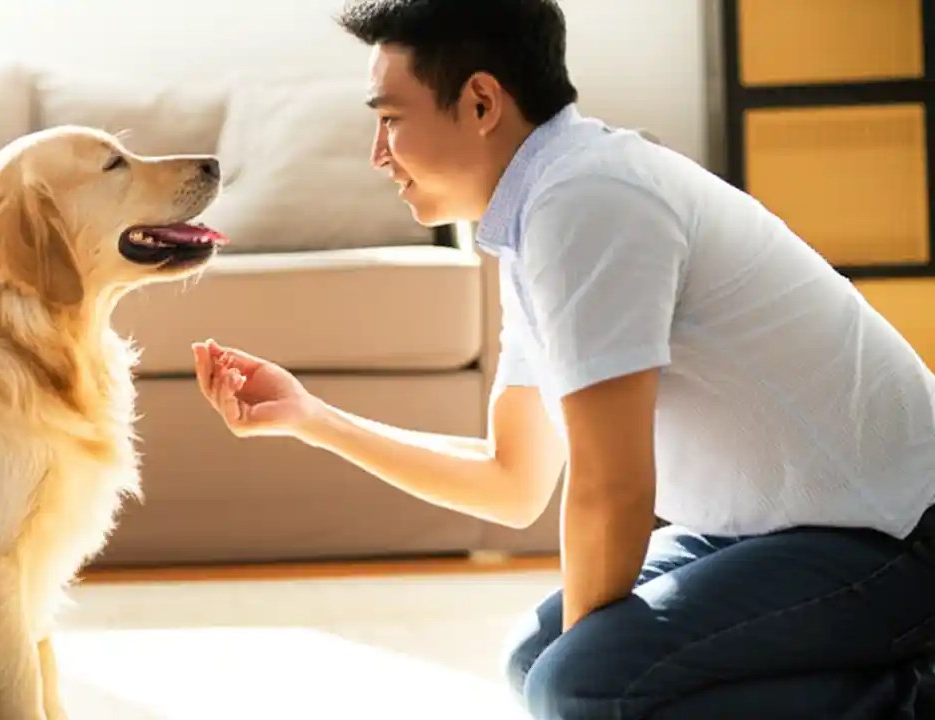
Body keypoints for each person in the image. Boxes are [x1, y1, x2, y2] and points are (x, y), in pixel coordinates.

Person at [190, 1, 935, 717]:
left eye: (390, 121)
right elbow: (511, 480)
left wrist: (589, 674)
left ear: (482, 103)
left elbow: (613, 489)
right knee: (539, 660)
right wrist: (310, 417)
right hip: (784, 528)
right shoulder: (535, 214)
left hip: (897, 534)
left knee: (582, 685)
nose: (377, 155)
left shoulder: (590, 200)